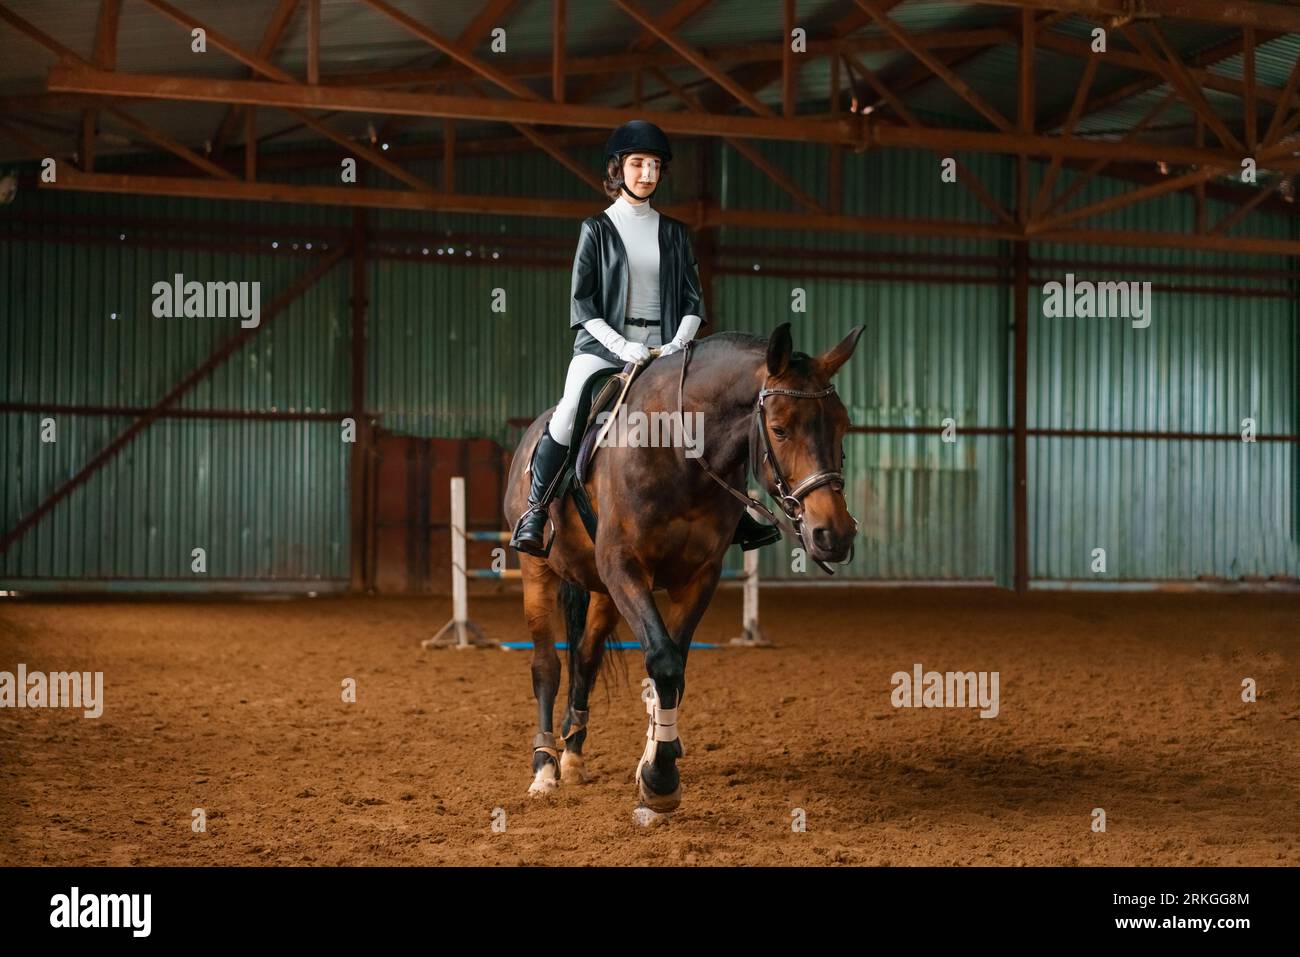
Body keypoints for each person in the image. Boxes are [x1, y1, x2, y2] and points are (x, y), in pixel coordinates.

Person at [509, 119, 780, 557]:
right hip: (603, 351)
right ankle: (536, 510)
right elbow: (583, 305)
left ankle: (737, 515)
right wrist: (621, 346)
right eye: (638, 164)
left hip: (667, 353)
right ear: (619, 169)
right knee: (569, 411)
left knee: (714, 418)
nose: (648, 174)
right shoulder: (596, 229)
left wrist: (676, 345)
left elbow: (694, 302)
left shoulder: (673, 232)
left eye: (654, 166)